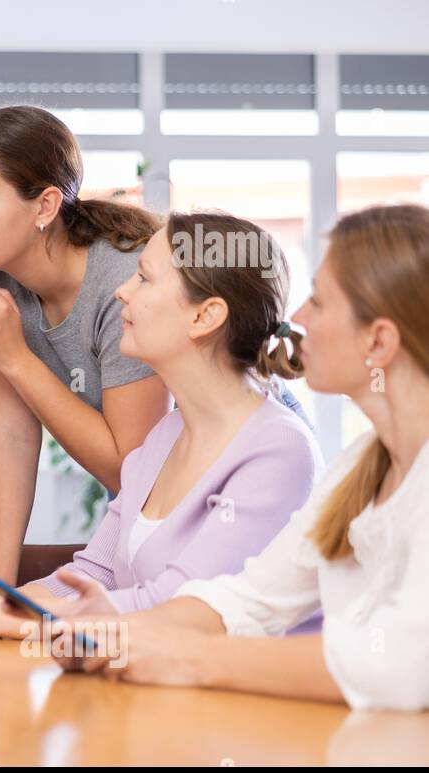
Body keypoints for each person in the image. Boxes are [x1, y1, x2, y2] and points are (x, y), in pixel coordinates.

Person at [55, 203, 429, 712]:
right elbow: (250, 598)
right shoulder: (361, 464)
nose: (297, 319)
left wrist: (189, 659)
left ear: (379, 340)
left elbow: (399, 665)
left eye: (319, 301)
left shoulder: (296, 448)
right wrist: (113, 631)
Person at [0, 210, 323, 637]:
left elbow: (180, 606)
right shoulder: (165, 436)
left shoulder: (279, 450)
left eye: (144, 279)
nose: (122, 292)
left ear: (204, 316)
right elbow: (97, 574)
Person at [0, 105, 170, 583]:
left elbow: (130, 474)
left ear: (45, 206)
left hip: (211, 496)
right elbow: (12, 431)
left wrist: (15, 357)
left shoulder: (124, 282)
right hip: (145, 513)